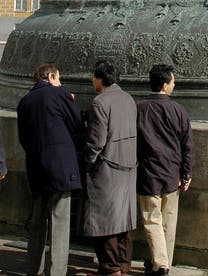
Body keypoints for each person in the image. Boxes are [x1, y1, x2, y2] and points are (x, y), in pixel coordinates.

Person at [16, 63, 83, 276]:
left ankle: (33, 269)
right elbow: (77, 124)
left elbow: (23, 138)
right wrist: (70, 101)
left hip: (37, 167)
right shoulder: (59, 94)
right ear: (51, 76)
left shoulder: (25, 101)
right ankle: (56, 272)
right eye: (59, 78)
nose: (60, 83)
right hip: (61, 169)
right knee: (59, 224)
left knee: (38, 221)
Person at [137, 65, 194, 275]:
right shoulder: (178, 110)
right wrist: (186, 173)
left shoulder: (140, 109)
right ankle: (163, 263)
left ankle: (160, 264)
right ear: (164, 85)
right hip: (172, 173)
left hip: (148, 172)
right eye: (172, 81)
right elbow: (187, 145)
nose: (174, 84)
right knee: (169, 222)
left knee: (152, 219)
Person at [84, 60, 137, 276]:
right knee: (123, 219)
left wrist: (88, 162)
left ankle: (110, 267)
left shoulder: (100, 102)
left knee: (103, 220)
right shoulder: (128, 99)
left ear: (99, 79)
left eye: (94, 77)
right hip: (128, 167)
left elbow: (96, 141)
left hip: (107, 167)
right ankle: (123, 265)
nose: (92, 81)